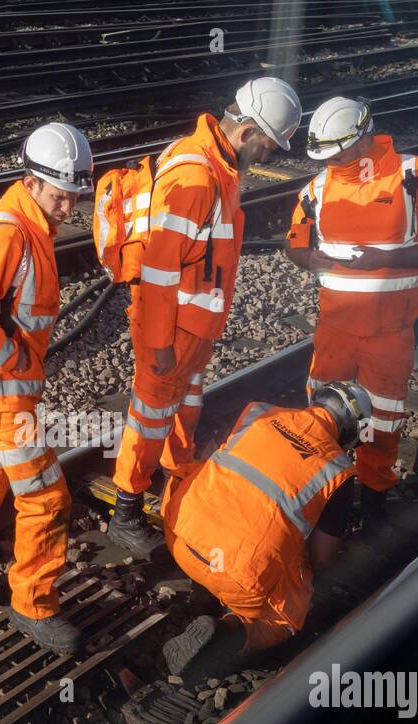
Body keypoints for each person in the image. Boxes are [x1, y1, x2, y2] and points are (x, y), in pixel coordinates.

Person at [107, 76, 304, 558]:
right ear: (247, 131)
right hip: (171, 327)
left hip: (193, 327)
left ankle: (180, 475)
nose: (268, 156)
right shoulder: (196, 178)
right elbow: (156, 269)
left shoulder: (215, 166)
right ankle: (126, 509)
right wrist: (157, 342)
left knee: (183, 407)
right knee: (151, 414)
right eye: (267, 145)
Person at [0, 123, 93, 655]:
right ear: (32, 181)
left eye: (75, 197)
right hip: (3, 395)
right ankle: (34, 605)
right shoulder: (10, 232)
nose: (68, 208)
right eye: (60, 196)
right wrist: (8, 360)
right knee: (47, 496)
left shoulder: (28, 222)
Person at [285, 96, 418, 521]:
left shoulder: (413, 175)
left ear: (362, 139)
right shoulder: (317, 190)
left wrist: (387, 260)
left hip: (391, 331)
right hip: (335, 329)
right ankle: (328, 495)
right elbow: (294, 244)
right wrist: (307, 259)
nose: (333, 162)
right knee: (324, 415)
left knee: (384, 415)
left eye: (339, 153)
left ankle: (377, 494)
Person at [158, 381, 373, 679]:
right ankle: (229, 629)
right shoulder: (338, 471)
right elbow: (322, 559)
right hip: (236, 578)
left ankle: (203, 591)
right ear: (351, 432)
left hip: (180, 535)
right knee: (287, 611)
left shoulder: (258, 412)